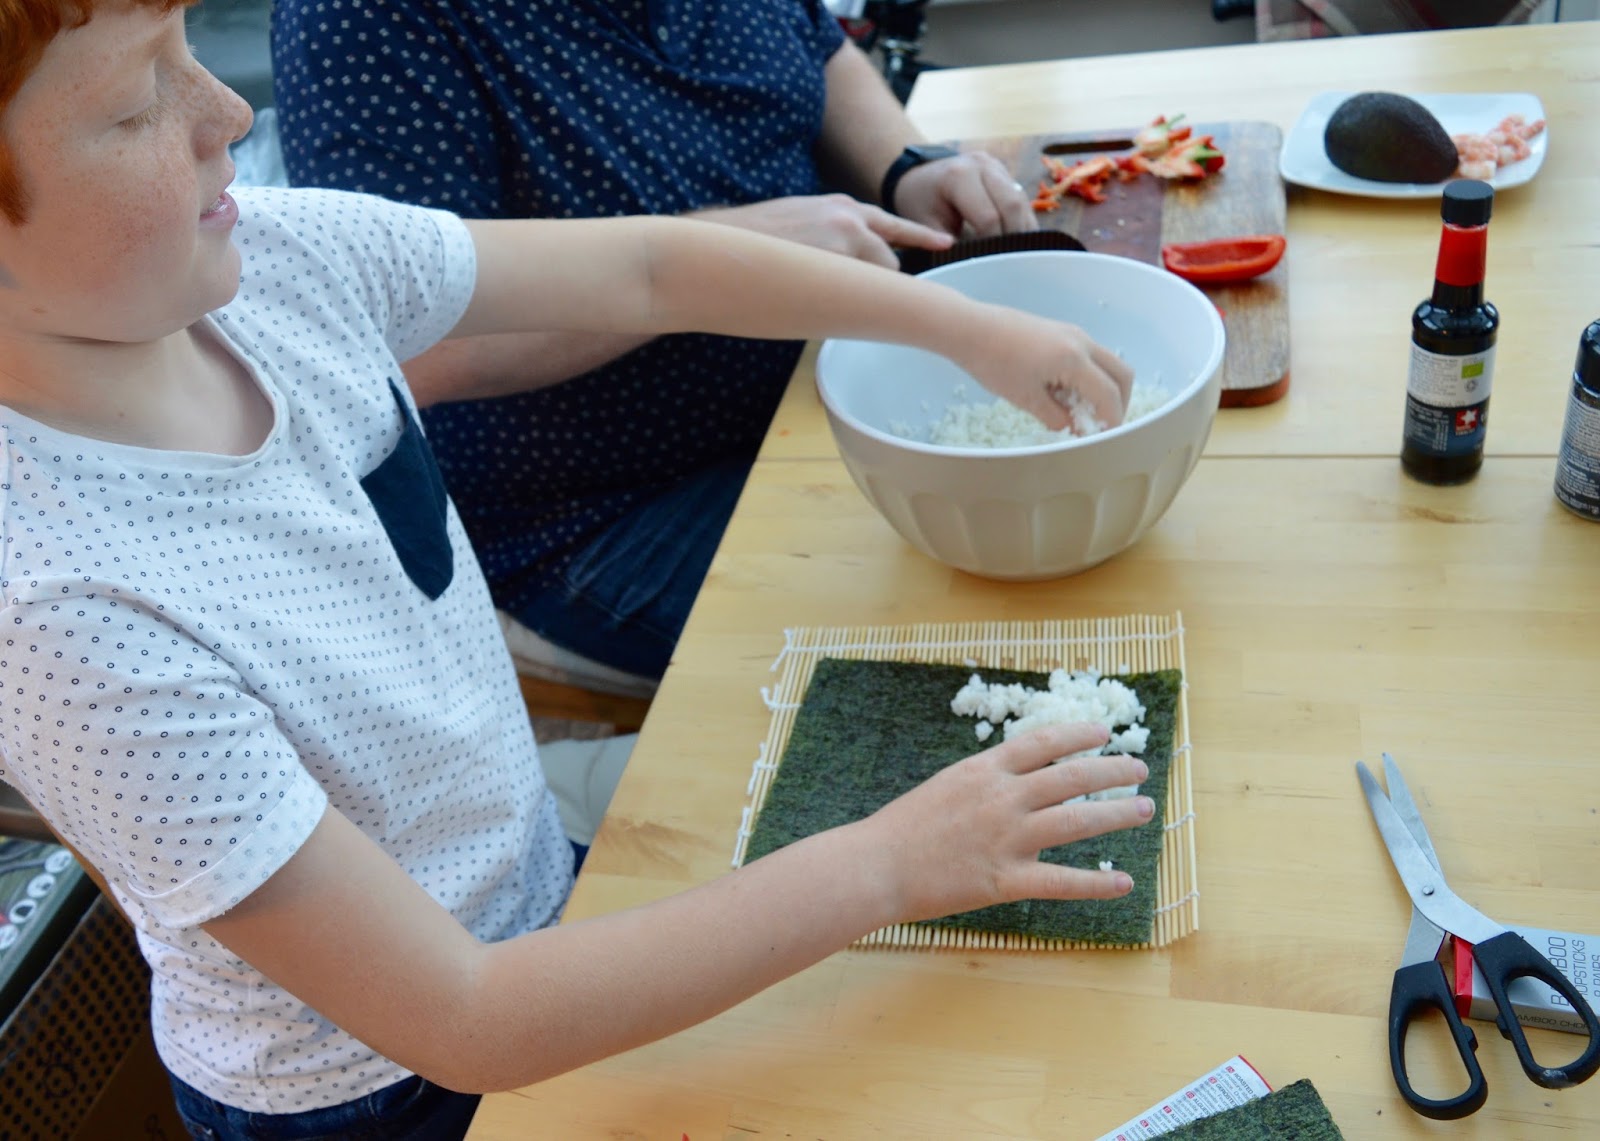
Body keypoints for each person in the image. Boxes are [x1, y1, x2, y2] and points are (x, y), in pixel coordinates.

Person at [0, 3, 1144, 1138]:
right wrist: (893, 864)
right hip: (378, 1090)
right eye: (139, 99)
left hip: (527, 892)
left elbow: (648, 268)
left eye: (190, 51)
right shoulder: (61, 617)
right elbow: (470, 1019)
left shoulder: (279, 258)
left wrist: (953, 325)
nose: (230, 111)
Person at [269, 0, 1040, 682]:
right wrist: (731, 257)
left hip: (810, 393)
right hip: (597, 514)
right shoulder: (358, 20)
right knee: (990, 614)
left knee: (1032, 521)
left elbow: (816, 43)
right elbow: (409, 349)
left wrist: (902, 165)